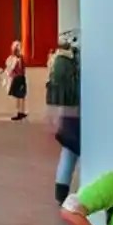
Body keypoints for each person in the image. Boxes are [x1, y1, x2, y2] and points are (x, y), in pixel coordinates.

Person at [46, 36, 81, 204]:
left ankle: (61, 192)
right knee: (74, 152)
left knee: (68, 152)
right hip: (77, 111)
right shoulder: (70, 64)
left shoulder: (57, 62)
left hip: (68, 113)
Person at [5, 41, 28, 121]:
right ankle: (18, 112)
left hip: (21, 77)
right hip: (16, 78)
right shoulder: (12, 58)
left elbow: (23, 67)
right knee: (17, 96)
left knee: (22, 95)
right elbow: (10, 68)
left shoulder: (21, 57)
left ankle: (22, 111)